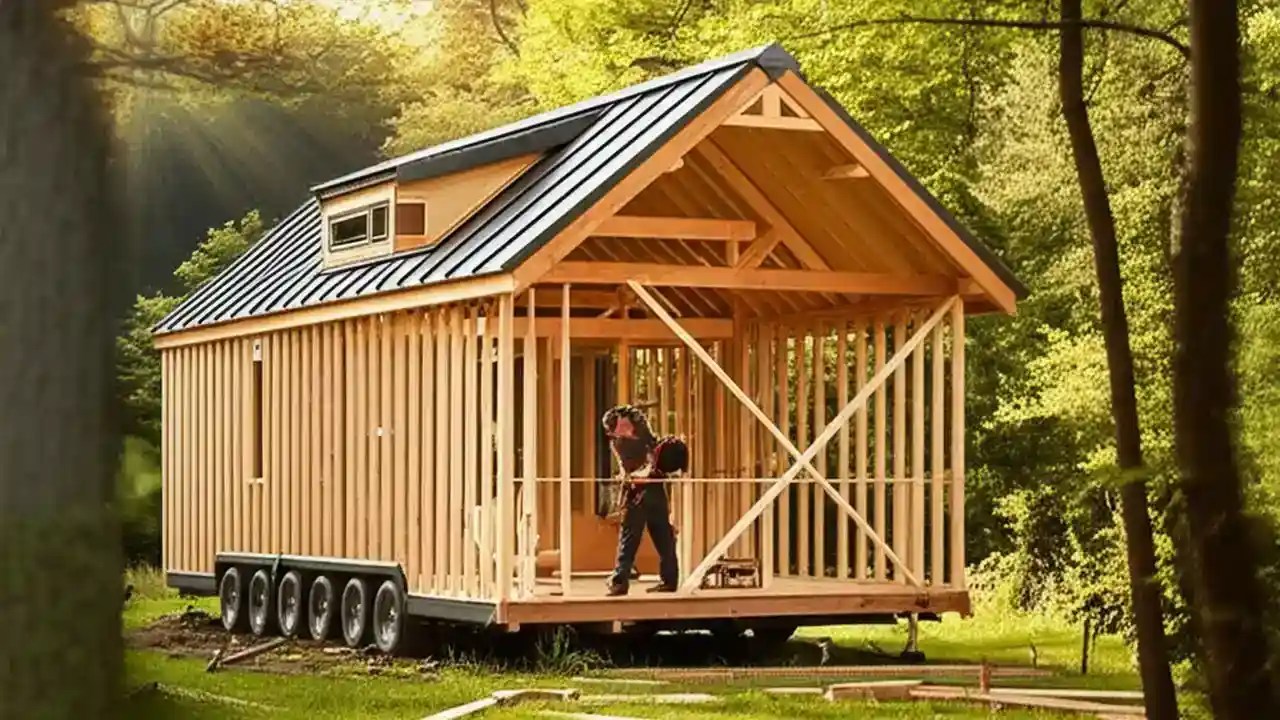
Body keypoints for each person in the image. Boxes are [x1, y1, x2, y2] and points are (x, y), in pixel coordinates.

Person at [601, 404, 686, 596]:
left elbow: (636, 468)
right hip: (655, 491)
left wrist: (630, 479)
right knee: (663, 536)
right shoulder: (647, 441)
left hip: (639, 493)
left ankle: (619, 581)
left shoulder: (623, 443)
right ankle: (670, 579)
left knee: (630, 538)